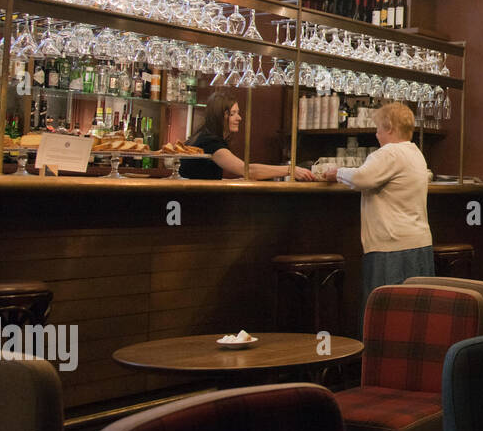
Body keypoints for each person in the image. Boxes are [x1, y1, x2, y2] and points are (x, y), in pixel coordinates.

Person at [322, 101, 433, 319]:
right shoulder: (416, 153)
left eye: (378, 128)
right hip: (419, 244)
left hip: (391, 246)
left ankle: (380, 354)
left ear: (390, 127)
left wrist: (336, 173)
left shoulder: (389, 152)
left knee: (386, 317)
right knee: (416, 315)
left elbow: (363, 177)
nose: (376, 134)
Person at [181, 92, 314, 181]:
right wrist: (291, 170)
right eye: (233, 114)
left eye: (237, 113)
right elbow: (248, 170)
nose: (239, 118)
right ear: (219, 116)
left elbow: (204, 178)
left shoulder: (204, 136)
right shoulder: (210, 142)